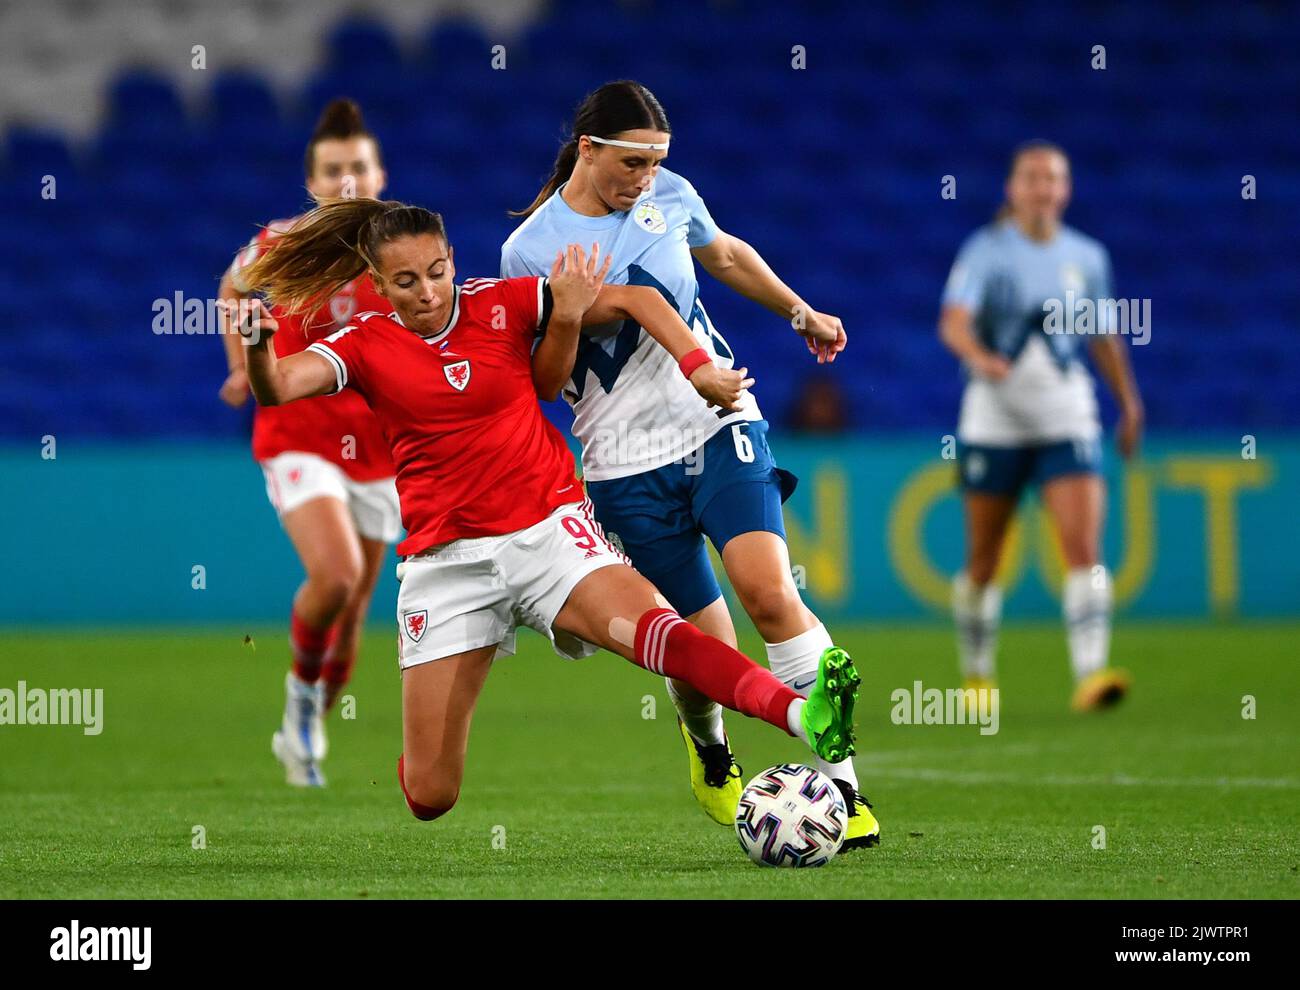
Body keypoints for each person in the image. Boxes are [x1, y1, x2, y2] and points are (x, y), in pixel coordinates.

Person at [225, 198, 860, 823]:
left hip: (548, 534)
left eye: (437, 272)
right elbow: (277, 387)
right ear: (378, 284)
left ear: (453, 260)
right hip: (447, 565)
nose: (427, 292)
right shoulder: (363, 344)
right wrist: (259, 347)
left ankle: (802, 715)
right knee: (430, 795)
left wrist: (693, 365)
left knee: (666, 637)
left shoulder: (505, 302)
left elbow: (638, 300)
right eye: (406, 281)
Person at [501, 80, 878, 848]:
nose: (645, 178)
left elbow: (727, 255)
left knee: (770, 594)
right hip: (622, 461)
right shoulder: (528, 250)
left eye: (656, 163)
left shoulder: (669, 193)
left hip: (717, 418)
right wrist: (567, 312)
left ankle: (844, 786)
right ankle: (711, 751)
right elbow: (544, 380)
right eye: (632, 163)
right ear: (589, 149)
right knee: (705, 648)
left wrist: (800, 310)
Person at [217, 99, 398, 787]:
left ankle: (309, 720)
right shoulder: (281, 244)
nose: (347, 181)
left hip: (378, 452)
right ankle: (298, 697)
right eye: (333, 170)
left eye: (358, 167)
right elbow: (233, 287)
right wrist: (242, 364)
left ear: (379, 172)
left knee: (352, 619)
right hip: (299, 436)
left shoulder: (401, 251)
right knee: (337, 574)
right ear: (312, 180)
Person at [938, 140, 1143, 712]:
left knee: (1082, 545)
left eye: (1053, 178)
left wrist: (1128, 402)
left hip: (1065, 408)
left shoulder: (1088, 256)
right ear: (1013, 187)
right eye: (1032, 177)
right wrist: (979, 358)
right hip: (995, 413)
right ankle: (977, 675)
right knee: (985, 556)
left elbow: (1103, 336)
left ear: (1066, 189)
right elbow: (953, 322)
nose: (1043, 187)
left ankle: (1091, 674)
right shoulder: (985, 250)